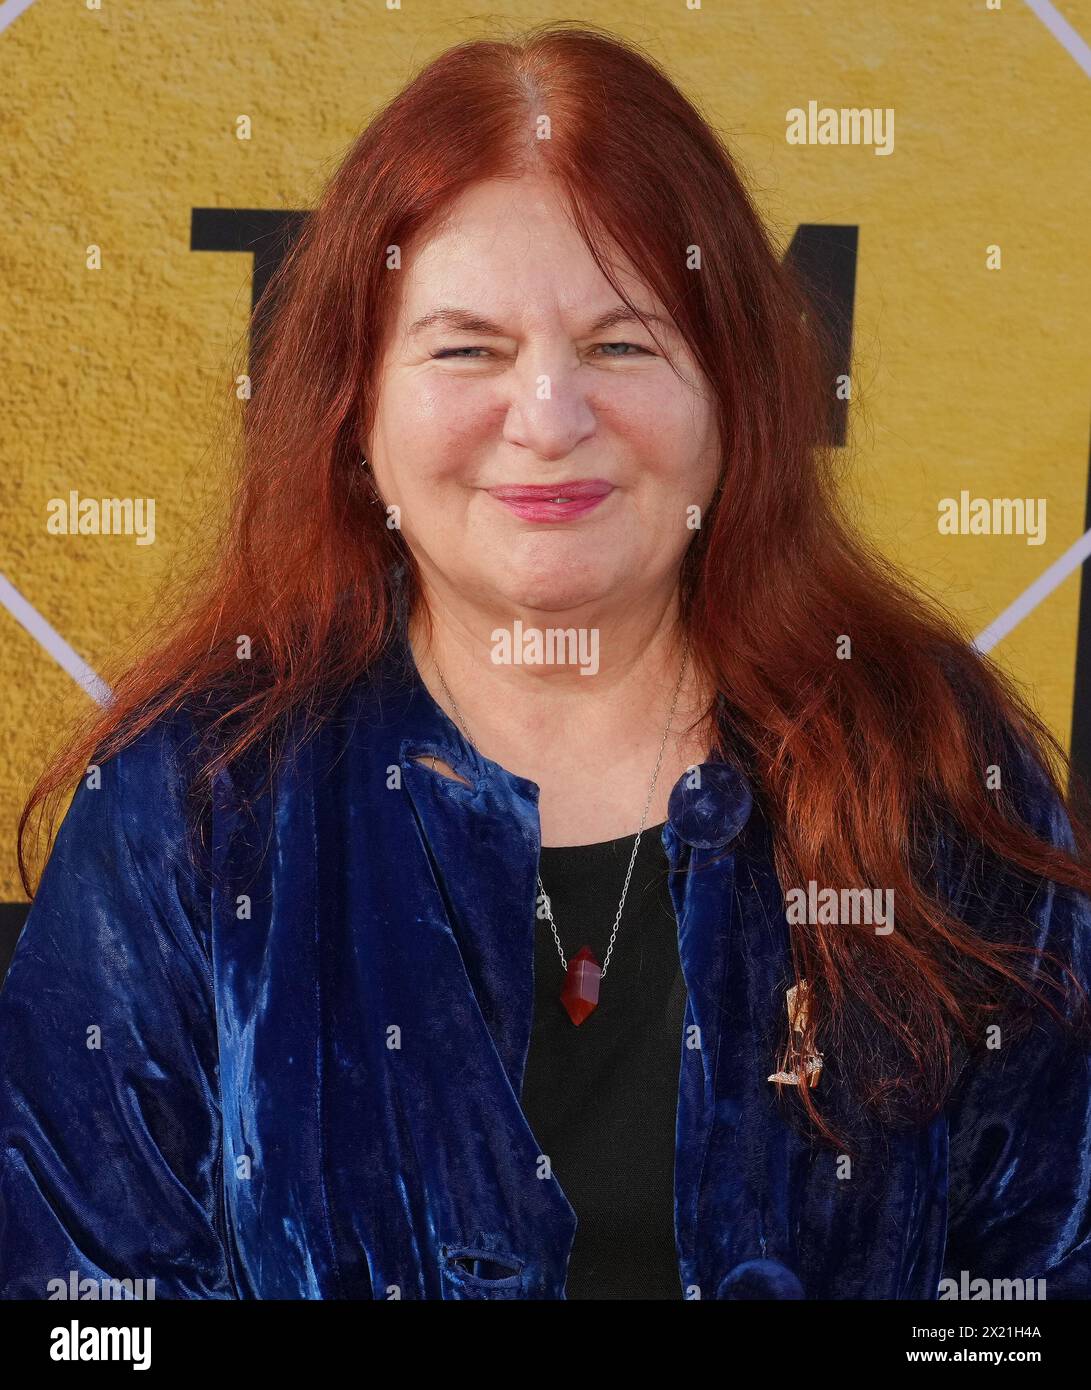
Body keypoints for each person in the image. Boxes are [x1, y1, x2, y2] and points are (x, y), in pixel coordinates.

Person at [3, 22, 1091, 1301]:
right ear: (355, 409)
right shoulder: (196, 797)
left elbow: (1039, 1285)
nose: (548, 418)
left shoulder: (924, 762)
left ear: (735, 394)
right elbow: (79, 1308)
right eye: (466, 347)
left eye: (621, 344)